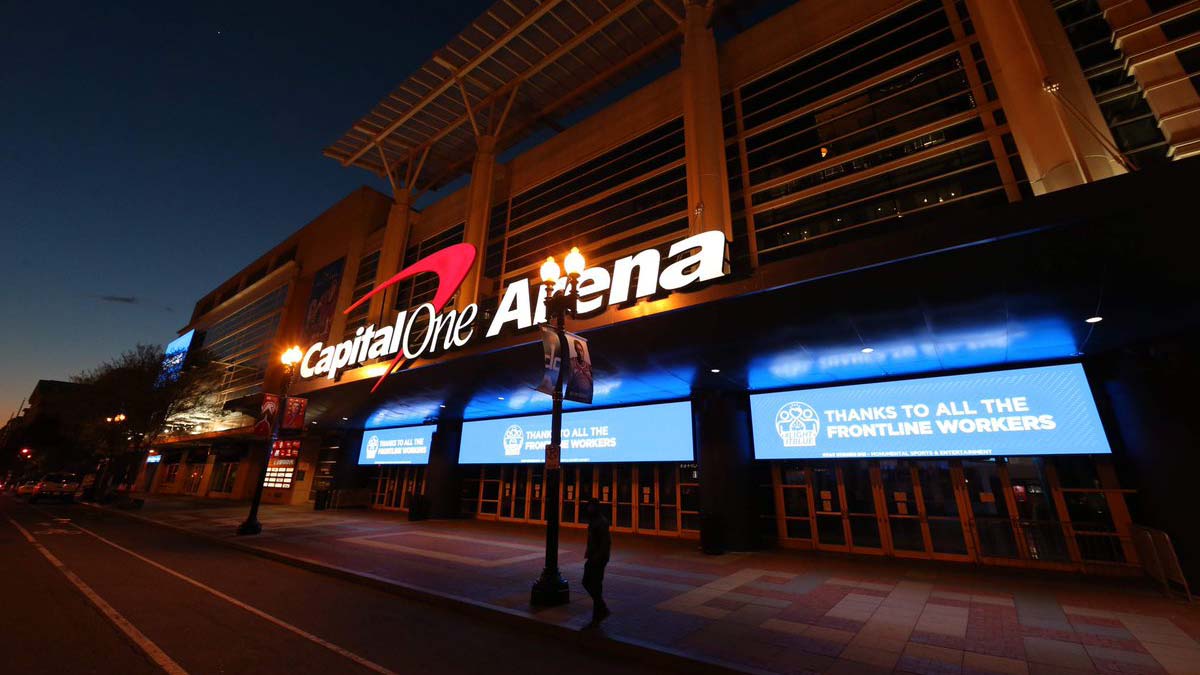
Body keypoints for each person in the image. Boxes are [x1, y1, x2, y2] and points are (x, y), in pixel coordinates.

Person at [582, 498, 611, 626]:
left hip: (598, 558)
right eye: (589, 506)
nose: (589, 508)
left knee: (594, 584)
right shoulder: (594, 521)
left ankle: (598, 613)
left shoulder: (601, 522)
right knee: (589, 582)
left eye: (592, 506)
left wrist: (598, 556)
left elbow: (605, 542)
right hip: (593, 556)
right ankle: (601, 609)